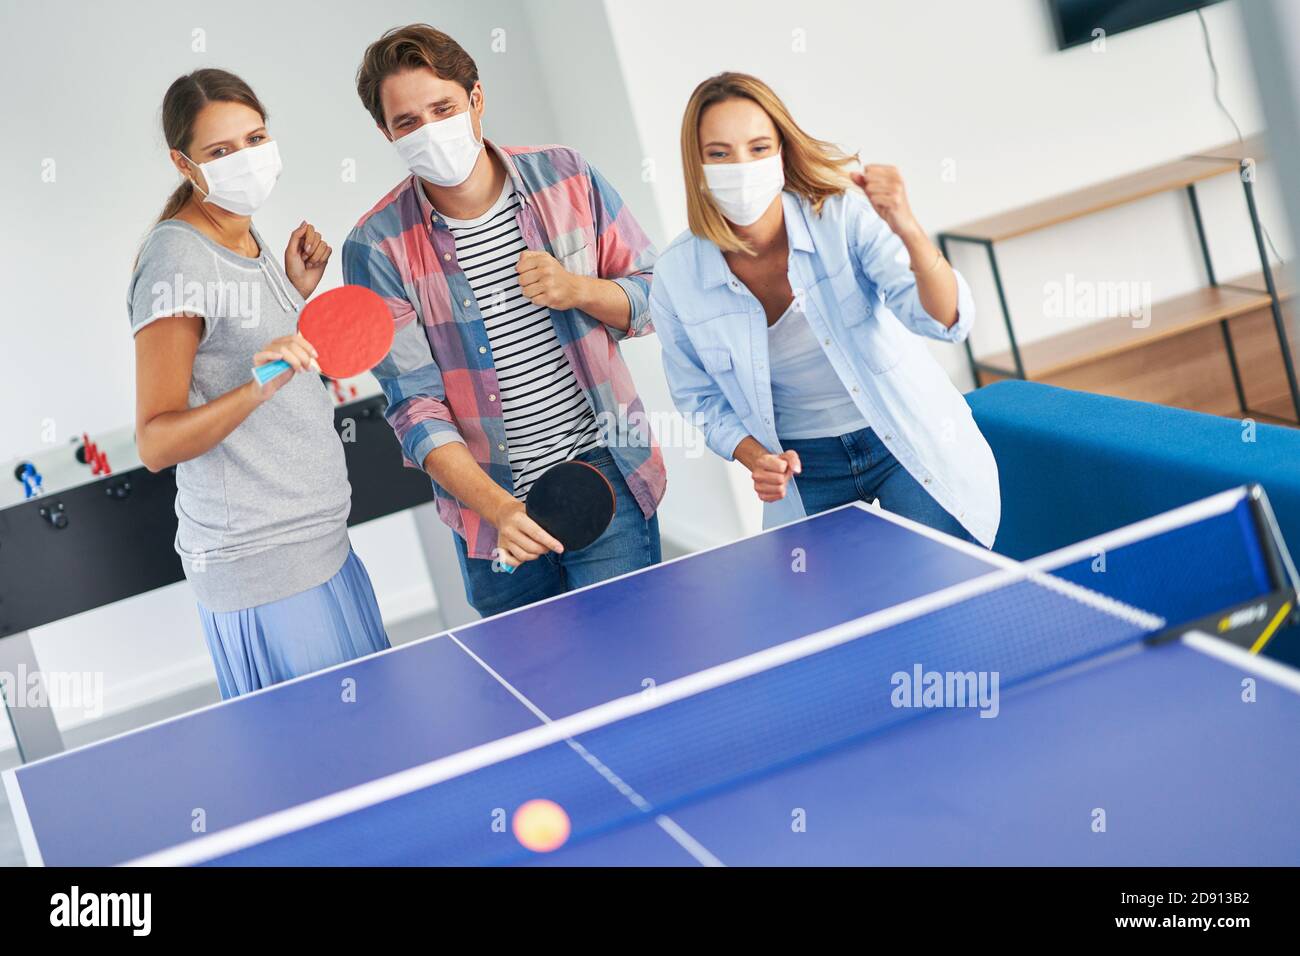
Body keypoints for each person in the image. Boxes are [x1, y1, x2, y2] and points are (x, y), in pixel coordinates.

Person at [342, 24, 665, 618]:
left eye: (443, 108)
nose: (431, 130)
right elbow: (415, 407)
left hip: (603, 477)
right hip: (489, 509)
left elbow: (655, 298)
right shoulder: (375, 247)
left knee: (632, 668)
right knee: (535, 689)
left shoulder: (567, 175)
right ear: (385, 132)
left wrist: (580, 290)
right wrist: (500, 510)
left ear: (476, 99)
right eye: (408, 122)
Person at [651, 73, 1000, 546]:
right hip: (804, 468)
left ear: (781, 152)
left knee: (945, 593)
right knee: (826, 607)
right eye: (719, 153)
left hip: (901, 438)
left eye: (758, 148)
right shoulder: (676, 275)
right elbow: (697, 396)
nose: (741, 166)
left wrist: (908, 227)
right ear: (697, 166)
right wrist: (755, 458)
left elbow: (943, 321)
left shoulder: (842, 218)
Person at [129, 69, 389, 697]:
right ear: (183, 163)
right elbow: (155, 443)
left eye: (255, 138)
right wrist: (258, 385)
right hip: (265, 567)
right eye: (221, 152)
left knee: (376, 752)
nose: (245, 159)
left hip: (321, 541)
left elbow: (237, 347)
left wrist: (292, 295)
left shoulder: (241, 231)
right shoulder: (175, 259)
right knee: (331, 770)